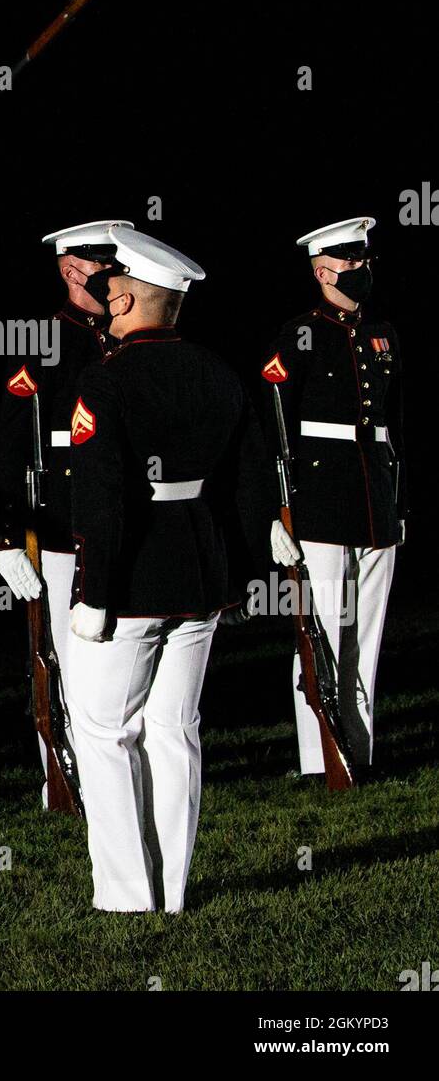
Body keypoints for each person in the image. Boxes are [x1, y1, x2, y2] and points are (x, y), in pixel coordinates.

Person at [66, 227, 270, 911]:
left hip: (130, 580)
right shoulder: (220, 373)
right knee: (175, 731)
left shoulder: (106, 378)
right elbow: (249, 488)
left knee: (102, 731)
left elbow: (102, 499)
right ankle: (172, 890)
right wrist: (241, 576)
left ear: (124, 300)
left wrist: (93, 589)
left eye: (110, 287)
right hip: (200, 573)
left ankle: (127, 895)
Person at [0, 219, 133, 802]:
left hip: (123, 518)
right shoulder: (43, 340)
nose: (115, 273)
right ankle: (65, 779)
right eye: (104, 263)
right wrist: (5, 533)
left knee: (118, 654)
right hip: (60, 522)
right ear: (72, 269)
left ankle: (112, 770)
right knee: (65, 658)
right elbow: (9, 445)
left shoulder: (128, 336)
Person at [261, 216, 405, 776]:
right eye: (351, 262)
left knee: (365, 636)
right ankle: (318, 757)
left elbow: (396, 424)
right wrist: (278, 507)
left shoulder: (384, 333)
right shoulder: (299, 334)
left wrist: (401, 501)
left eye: (366, 260)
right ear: (323, 270)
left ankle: (359, 752)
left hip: (376, 491)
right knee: (319, 631)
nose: (362, 270)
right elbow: (276, 423)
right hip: (320, 494)